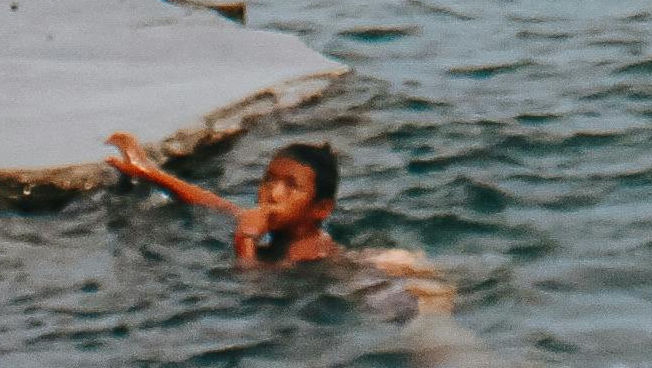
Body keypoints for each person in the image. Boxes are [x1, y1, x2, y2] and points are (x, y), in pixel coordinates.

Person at [103, 132, 457, 313]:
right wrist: (150, 172)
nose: (272, 194)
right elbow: (212, 202)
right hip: (356, 272)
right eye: (268, 181)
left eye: (291, 187)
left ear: (321, 209)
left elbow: (252, 285)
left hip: (359, 285)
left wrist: (245, 242)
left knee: (438, 345)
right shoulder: (277, 231)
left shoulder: (305, 252)